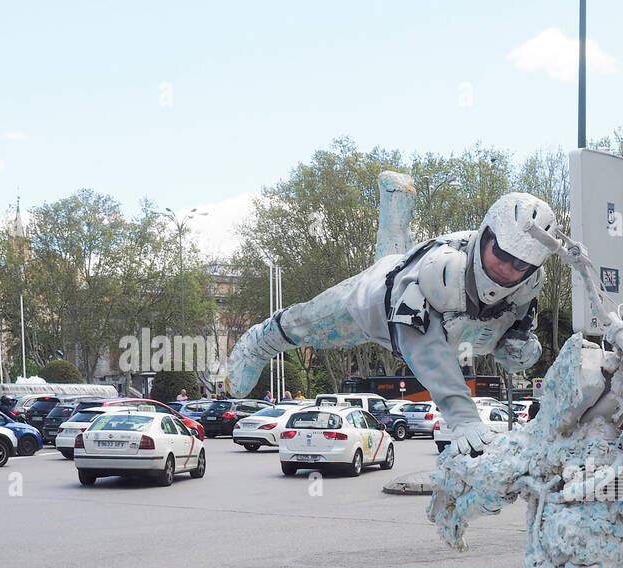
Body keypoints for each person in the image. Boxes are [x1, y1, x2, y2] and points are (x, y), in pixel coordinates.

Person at [223, 192, 557, 456]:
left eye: (522, 263)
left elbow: (520, 331)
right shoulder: (440, 273)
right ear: (485, 236)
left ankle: (395, 201)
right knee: (307, 323)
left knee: (394, 254)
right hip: (371, 306)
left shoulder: (529, 285)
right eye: (502, 252)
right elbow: (425, 350)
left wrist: (520, 349)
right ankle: (261, 341)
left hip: (448, 321)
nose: (509, 268)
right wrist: (463, 417)